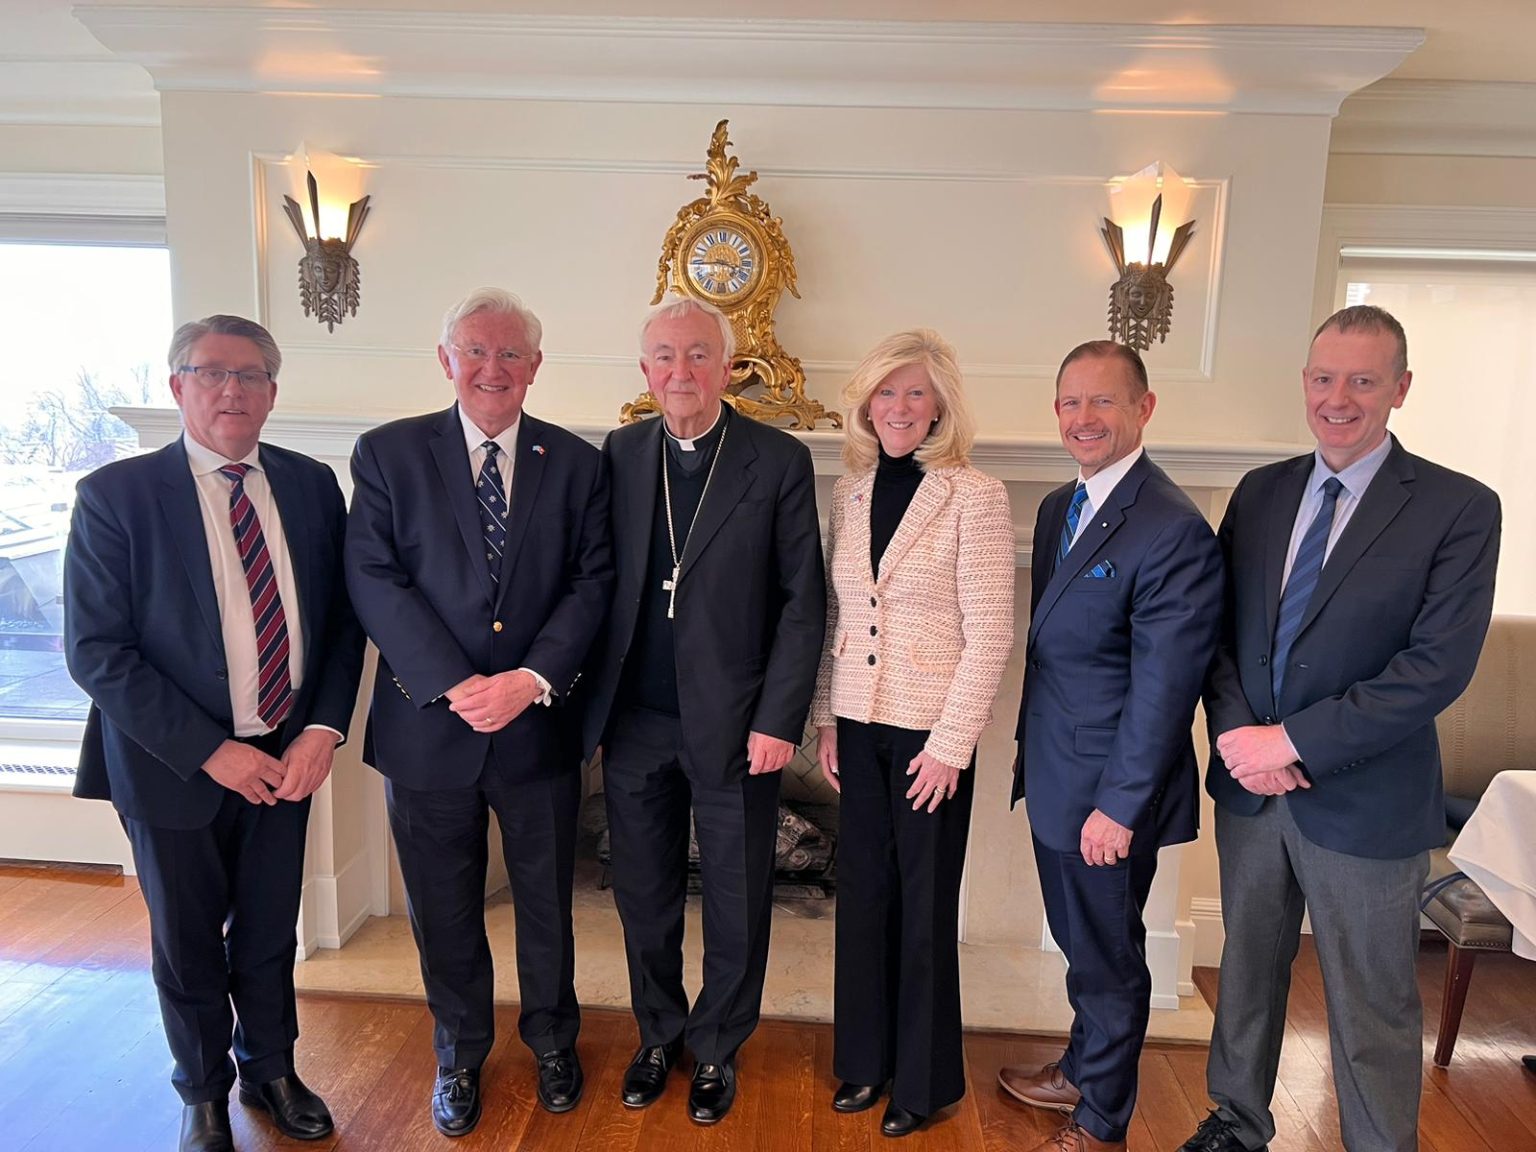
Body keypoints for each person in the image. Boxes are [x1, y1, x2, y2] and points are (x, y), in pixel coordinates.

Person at [1180, 305, 1501, 1152]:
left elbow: (1435, 668)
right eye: (1324, 378)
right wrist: (1245, 739)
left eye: (1363, 380)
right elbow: (1223, 637)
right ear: (1305, 384)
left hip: (1366, 800)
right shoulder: (1261, 492)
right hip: (1252, 792)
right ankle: (1236, 1124)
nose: (1339, 398)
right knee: (1246, 976)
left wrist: (1293, 743)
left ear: (1400, 388)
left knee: (1371, 1000)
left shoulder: (1459, 508)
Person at [65, 315, 365, 1152]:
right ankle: (201, 1091)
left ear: (272, 392)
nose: (230, 390)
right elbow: (97, 652)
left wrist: (322, 731)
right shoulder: (115, 497)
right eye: (210, 373)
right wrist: (213, 752)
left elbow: (342, 626)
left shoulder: (311, 487)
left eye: (249, 376)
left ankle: (272, 1070)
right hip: (173, 766)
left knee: (272, 929)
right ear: (178, 387)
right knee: (188, 940)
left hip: (288, 757)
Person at [345, 288, 613, 1136]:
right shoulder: (387, 454)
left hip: (536, 727)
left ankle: (554, 1041)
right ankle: (459, 1052)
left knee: (545, 904)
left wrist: (529, 678)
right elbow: (373, 578)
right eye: (475, 351)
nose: (491, 369)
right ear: (446, 359)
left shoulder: (577, 462)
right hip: (429, 729)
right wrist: (457, 683)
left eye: (510, 355)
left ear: (535, 367)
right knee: (444, 906)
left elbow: (592, 582)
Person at [583, 297, 825, 1124]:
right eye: (663, 357)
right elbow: (589, 586)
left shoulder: (777, 460)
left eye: (696, 355)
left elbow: (803, 604)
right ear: (644, 370)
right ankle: (659, 1034)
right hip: (636, 720)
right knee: (643, 894)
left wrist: (779, 721)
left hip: (738, 723)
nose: (679, 373)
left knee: (735, 897)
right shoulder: (617, 454)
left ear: (727, 367)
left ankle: (719, 1046)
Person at [1004, 340, 1223, 1152]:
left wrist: (1118, 808)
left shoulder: (1172, 528)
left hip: (1108, 794)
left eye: (1103, 402)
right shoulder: (1061, 504)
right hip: (1058, 772)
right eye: (1070, 402)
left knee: (1110, 955)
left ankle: (1101, 1121)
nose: (1083, 418)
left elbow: (1166, 693)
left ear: (1144, 409)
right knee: (1081, 942)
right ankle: (1082, 1067)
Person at [809, 329, 1014, 1137]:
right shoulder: (849, 490)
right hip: (858, 728)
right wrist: (827, 716)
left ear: (940, 407)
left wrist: (950, 745)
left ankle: (924, 1084)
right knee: (861, 898)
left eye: (915, 393)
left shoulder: (975, 495)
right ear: (866, 401)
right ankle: (863, 1063)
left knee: (923, 908)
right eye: (885, 392)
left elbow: (990, 630)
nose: (898, 407)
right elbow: (838, 614)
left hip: (931, 734)